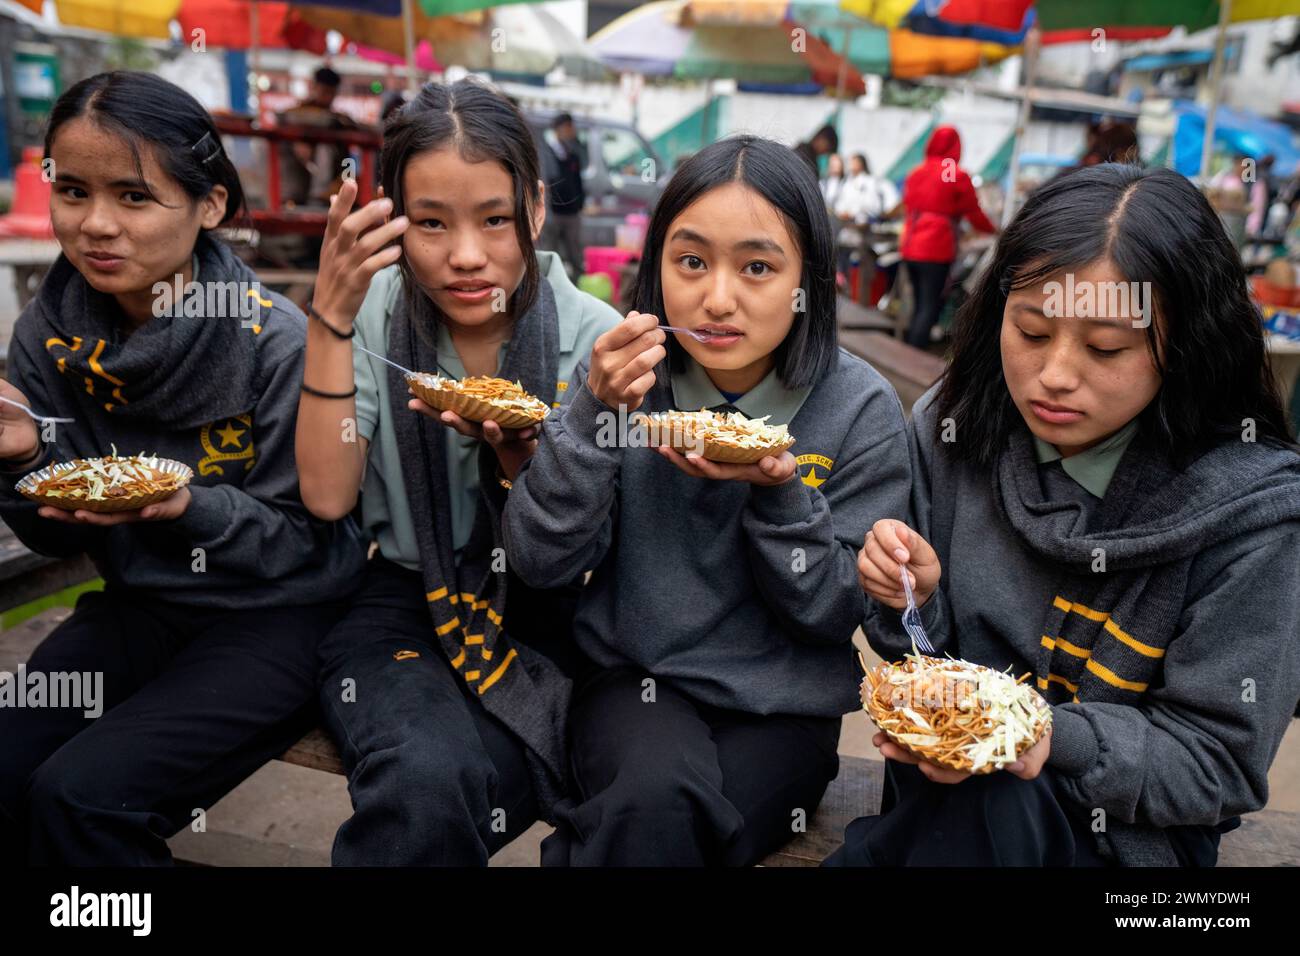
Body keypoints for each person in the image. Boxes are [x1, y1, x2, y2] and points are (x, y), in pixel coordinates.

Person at [830, 163, 1300, 867]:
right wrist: (912, 601)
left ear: (1188, 342)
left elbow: (1218, 762)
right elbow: (918, 674)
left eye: (1106, 347)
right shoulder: (954, 429)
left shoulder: (1253, 516)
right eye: (1032, 331)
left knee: (999, 800)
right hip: (941, 816)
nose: (1054, 374)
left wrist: (1046, 736)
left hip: (1128, 842)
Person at [503, 135, 914, 866]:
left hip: (787, 710)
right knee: (656, 797)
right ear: (656, 267)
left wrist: (781, 493)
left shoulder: (859, 409)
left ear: (808, 281)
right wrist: (588, 418)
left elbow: (831, 614)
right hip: (635, 684)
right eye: (690, 261)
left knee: (661, 824)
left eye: (757, 267)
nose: (718, 298)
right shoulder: (625, 382)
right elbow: (540, 561)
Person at [0, 71, 365, 866]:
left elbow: (308, 539)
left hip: (278, 620)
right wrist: (23, 460)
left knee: (83, 800)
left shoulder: (275, 342)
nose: (97, 224)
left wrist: (185, 508)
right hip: (142, 604)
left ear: (211, 207)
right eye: (73, 191)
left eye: (134, 197)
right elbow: (45, 527)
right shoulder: (49, 334)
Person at [294, 79, 621, 865]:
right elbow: (329, 492)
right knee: (423, 772)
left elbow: (582, 549)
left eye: (495, 220)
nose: (466, 256)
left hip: (545, 614)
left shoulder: (593, 340)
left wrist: (522, 453)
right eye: (430, 223)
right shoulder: (374, 312)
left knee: (458, 786)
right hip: (404, 600)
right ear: (392, 221)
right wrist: (330, 317)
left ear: (536, 210)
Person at [898, 125, 996, 348]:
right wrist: (994, 230)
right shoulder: (951, 172)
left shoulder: (917, 171)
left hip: (911, 245)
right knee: (930, 305)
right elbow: (972, 210)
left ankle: (909, 348)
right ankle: (912, 355)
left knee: (919, 304)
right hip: (935, 247)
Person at [833, 152, 900, 286]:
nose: (851, 165)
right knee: (843, 264)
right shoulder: (847, 182)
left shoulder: (870, 182)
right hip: (846, 231)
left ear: (861, 163)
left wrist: (854, 213)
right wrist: (842, 212)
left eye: (854, 161)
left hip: (863, 232)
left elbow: (872, 205)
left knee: (862, 266)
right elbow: (840, 203)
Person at [539, 112, 587, 279]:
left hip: (572, 213)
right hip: (554, 213)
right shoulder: (547, 153)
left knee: (575, 256)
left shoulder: (573, 153)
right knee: (550, 255)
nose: (572, 131)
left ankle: (578, 287)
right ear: (560, 129)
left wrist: (580, 206)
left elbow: (578, 182)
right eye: (569, 127)